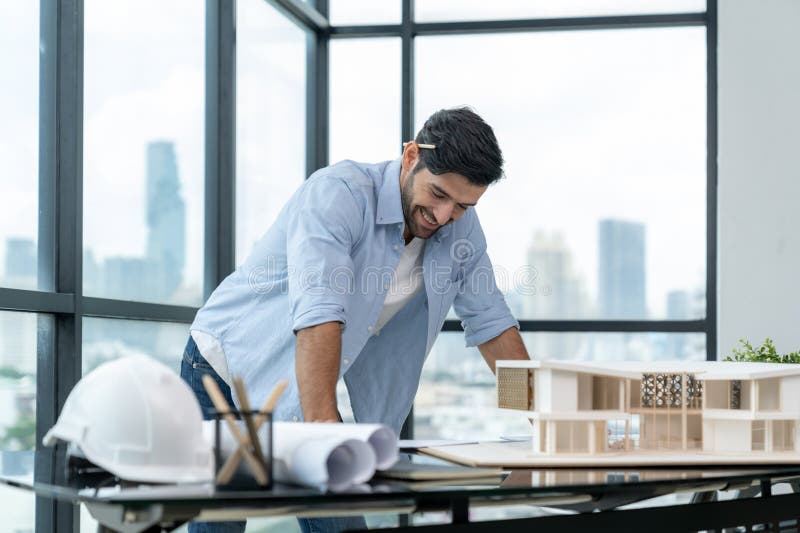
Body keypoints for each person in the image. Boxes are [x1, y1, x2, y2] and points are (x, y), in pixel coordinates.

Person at [181, 107, 531, 532]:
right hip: (227, 368)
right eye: (438, 195)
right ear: (410, 157)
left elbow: (492, 325)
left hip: (303, 383)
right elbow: (320, 312)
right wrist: (325, 435)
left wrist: (547, 421)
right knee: (222, 521)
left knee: (342, 524)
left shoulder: (462, 231)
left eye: (461, 206)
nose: (443, 217)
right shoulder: (339, 194)